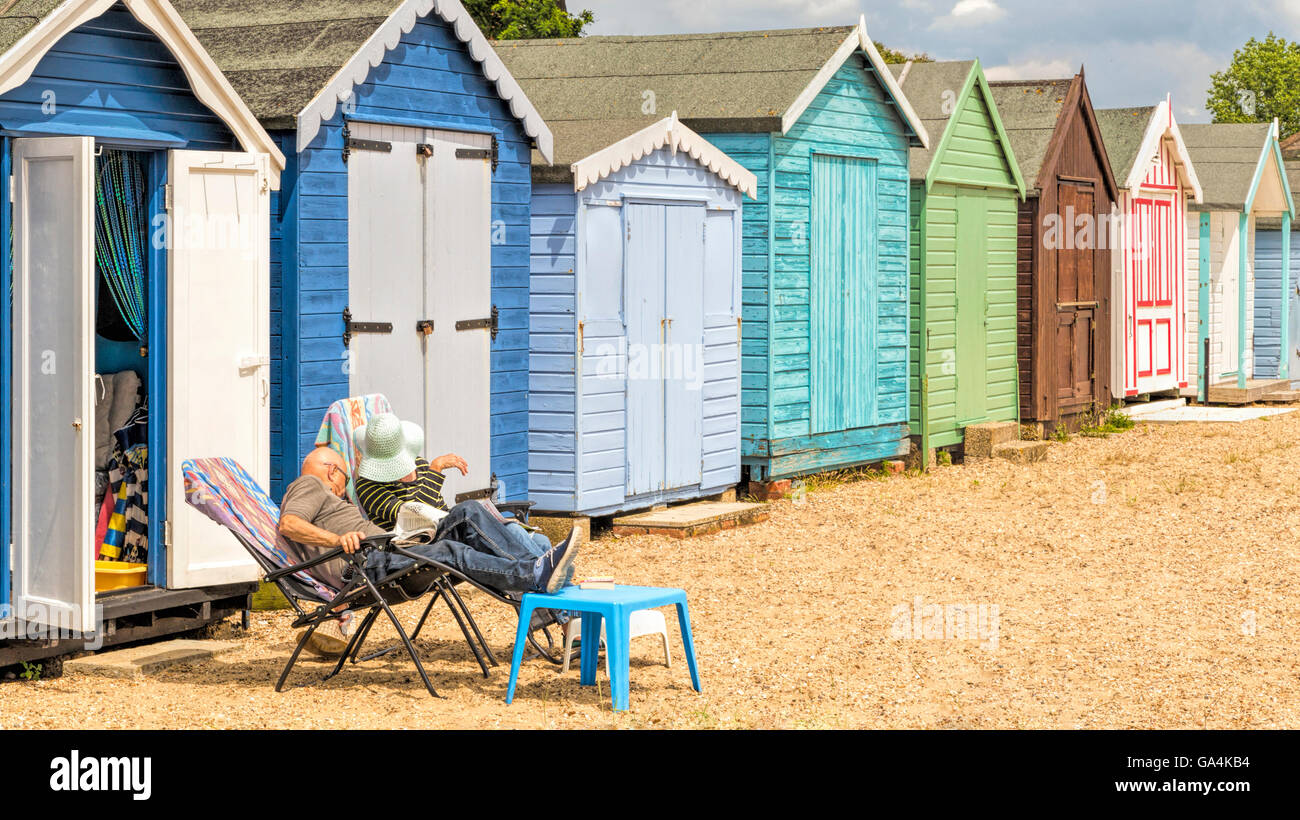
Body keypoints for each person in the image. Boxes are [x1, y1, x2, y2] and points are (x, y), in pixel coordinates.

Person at [278, 445, 580, 656]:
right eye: (345, 478)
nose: (346, 488)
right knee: (452, 550)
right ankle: (537, 575)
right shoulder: (309, 484)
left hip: (391, 551)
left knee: (468, 512)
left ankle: (539, 571)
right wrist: (336, 539)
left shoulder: (326, 497)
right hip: (368, 564)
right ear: (332, 472)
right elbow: (289, 523)